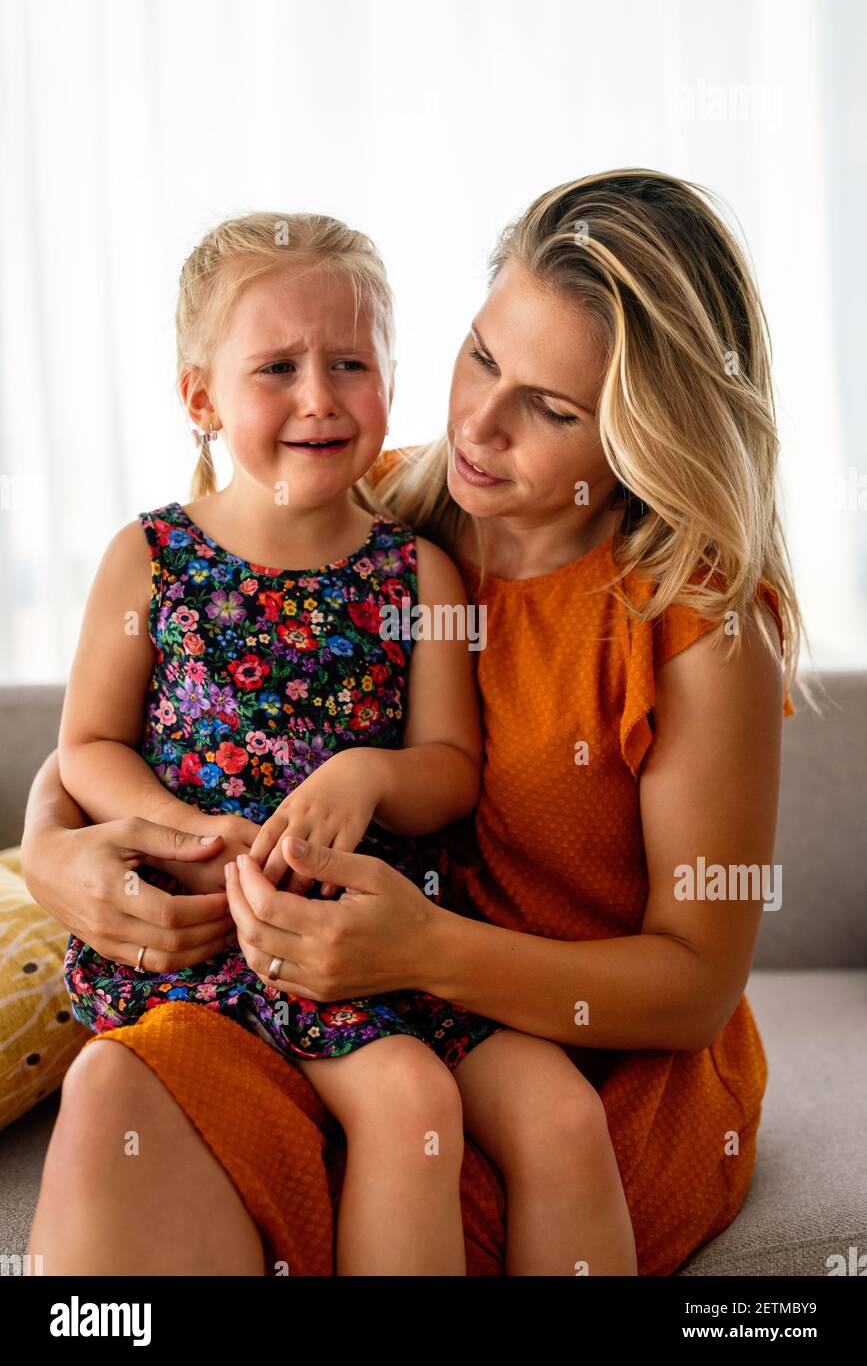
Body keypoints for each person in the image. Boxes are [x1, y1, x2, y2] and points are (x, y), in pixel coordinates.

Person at [24, 168, 798, 1277]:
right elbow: (115, 731)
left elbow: (694, 987)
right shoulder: (369, 499)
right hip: (327, 979)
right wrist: (56, 857)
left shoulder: (695, 622)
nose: (479, 423)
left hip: (583, 1057)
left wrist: (423, 948)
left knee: (421, 1123)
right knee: (120, 1102)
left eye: (553, 408)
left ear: (644, 435)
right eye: (483, 355)